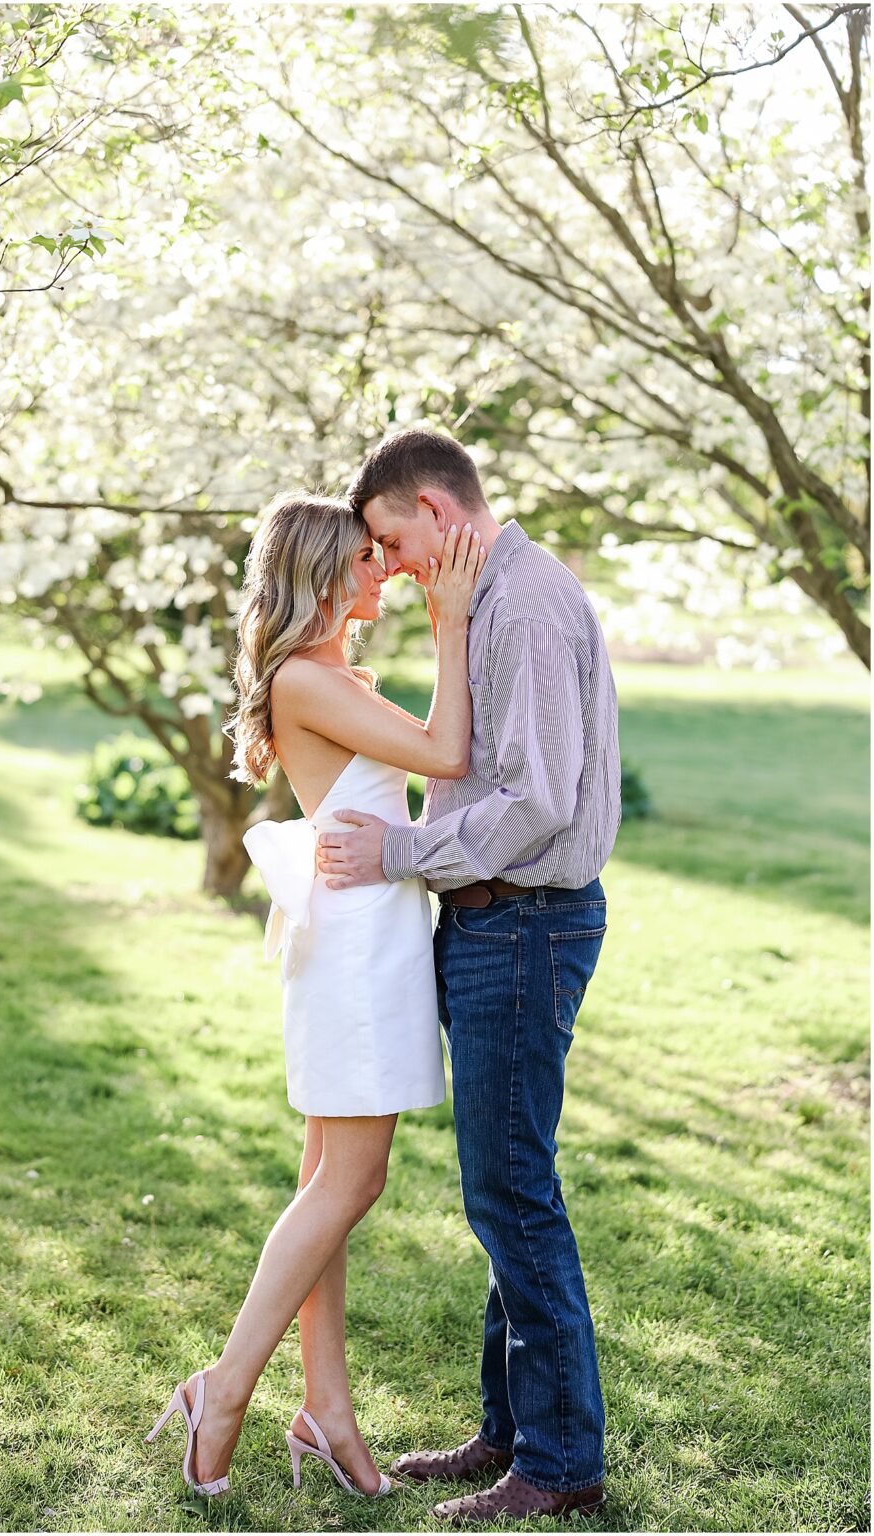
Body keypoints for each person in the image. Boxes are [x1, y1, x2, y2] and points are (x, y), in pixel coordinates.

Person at [144, 491, 486, 1498]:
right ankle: (228, 1385)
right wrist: (454, 623)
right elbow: (446, 753)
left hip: (370, 934)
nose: (385, 566)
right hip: (353, 954)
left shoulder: (336, 672)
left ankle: (326, 1410)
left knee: (326, 1188)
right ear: (322, 573)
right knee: (352, 1183)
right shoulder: (306, 678)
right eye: (366, 557)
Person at [315, 428, 621, 1528]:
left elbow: (536, 804)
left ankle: (559, 1463)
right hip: (492, 926)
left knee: (513, 1196)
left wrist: (395, 853)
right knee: (503, 1189)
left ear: (440, 513)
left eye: (392, 539)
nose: (387, 565)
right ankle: (511, 1429)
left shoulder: (528, 606)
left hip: (526, 926)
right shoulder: (487, 604)